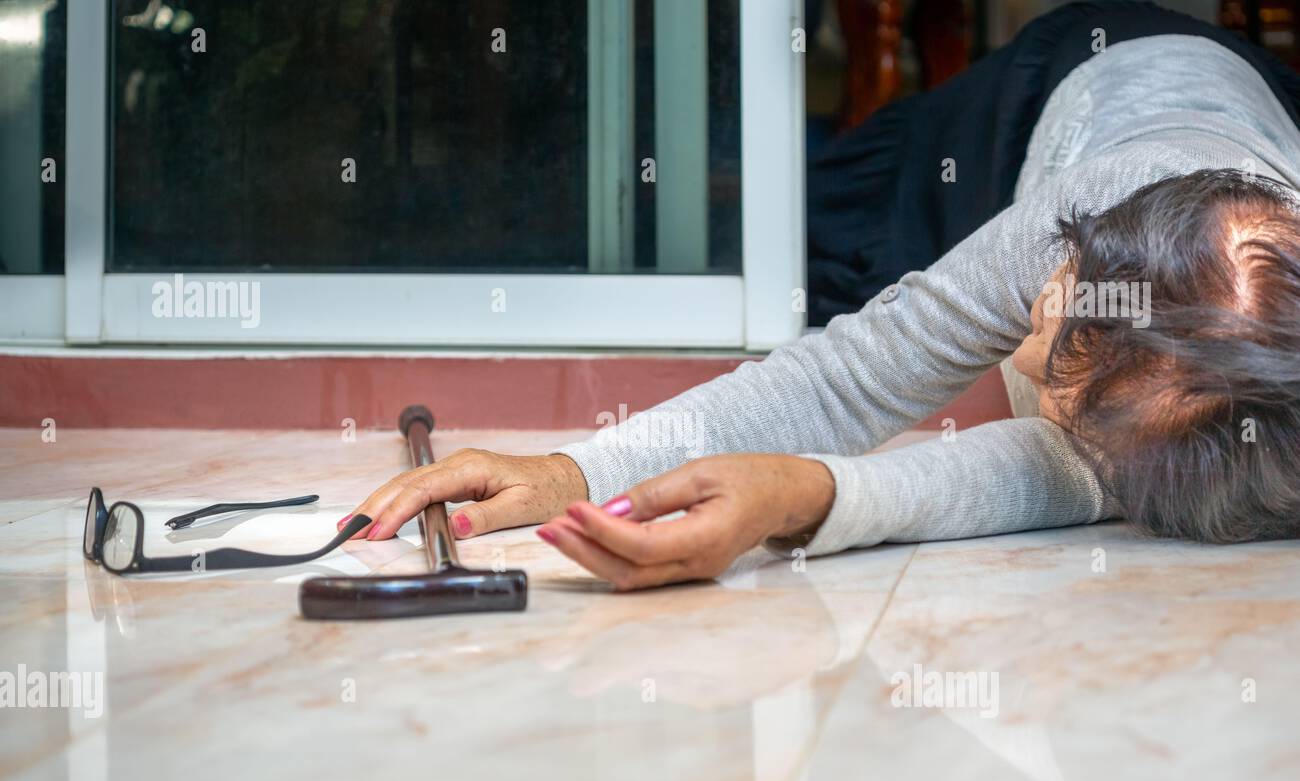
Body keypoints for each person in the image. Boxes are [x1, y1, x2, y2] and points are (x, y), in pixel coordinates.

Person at [344, 2, 1300, 591]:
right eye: (1049, 311)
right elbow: (848, 380)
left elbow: (1069, 480)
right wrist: (577, 471)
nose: (1016, 347)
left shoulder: (1229, 430)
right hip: (1059, 85)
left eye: (1063, 387)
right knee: (829, 237)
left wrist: (809, 495)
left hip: (1226, 110)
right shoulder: (1084, 214)